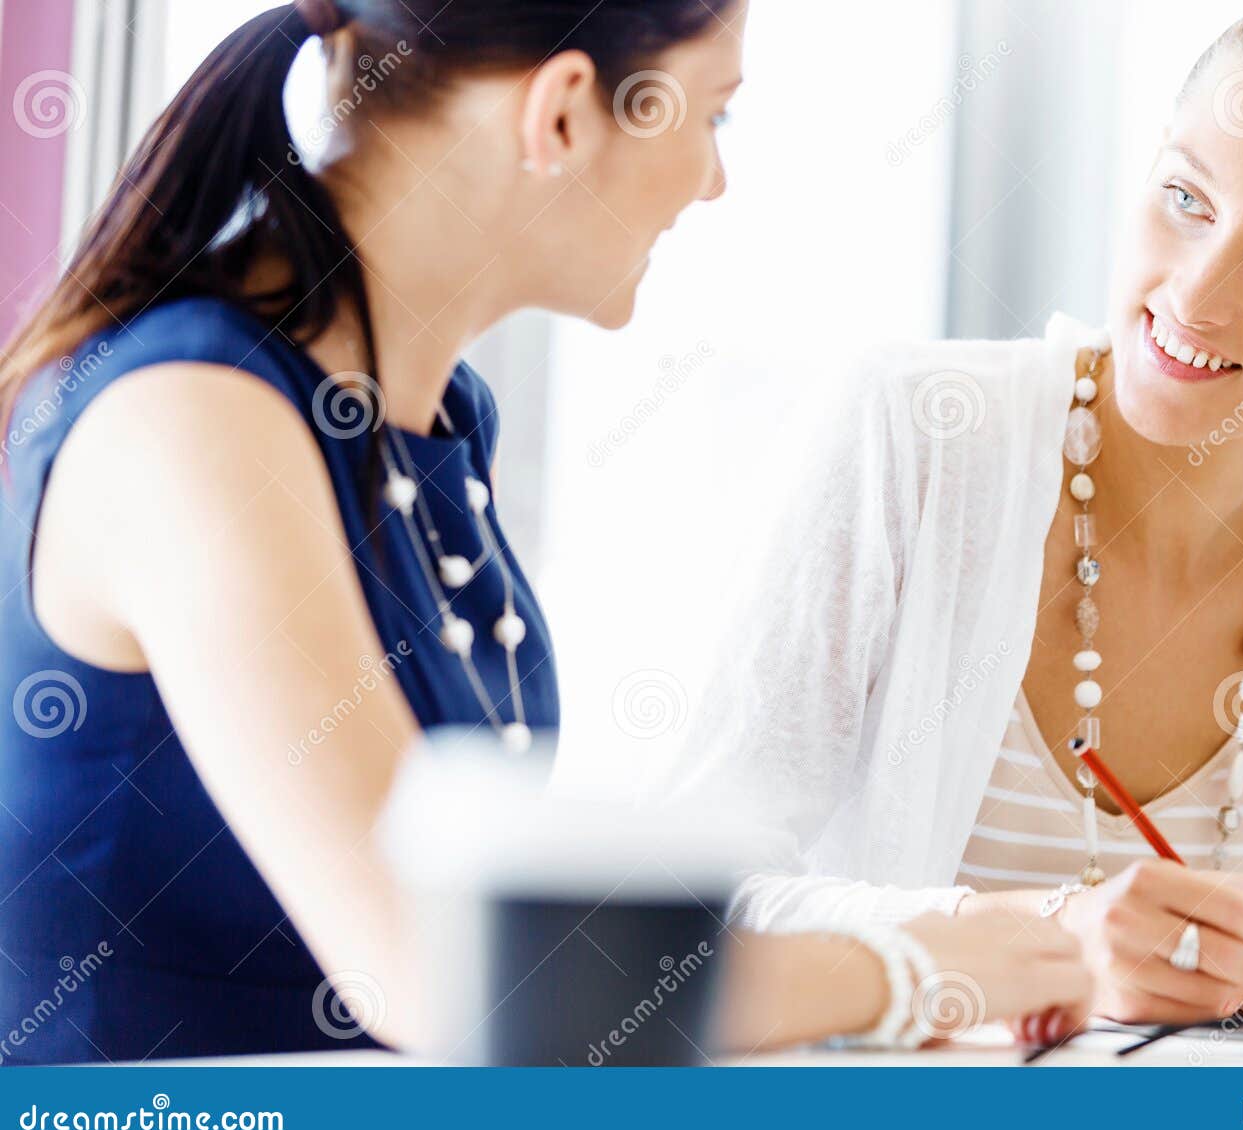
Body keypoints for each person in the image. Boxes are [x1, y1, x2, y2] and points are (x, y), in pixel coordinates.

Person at [0, 0, 1094, 1063]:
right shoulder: (194, 417)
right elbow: (452, 972)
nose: (716, 183)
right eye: (713, 116)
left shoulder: (439, 419)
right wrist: (916, 960)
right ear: (563, 113)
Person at [658, 0, 1243, 1032]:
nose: (1193, 295)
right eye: (1187, 200)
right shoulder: (916, 433)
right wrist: (1055, 939)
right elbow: (684, 910)